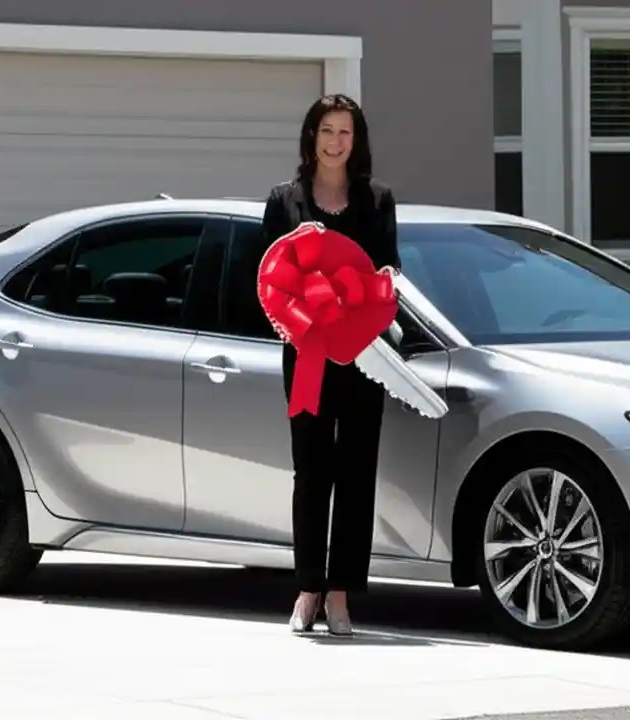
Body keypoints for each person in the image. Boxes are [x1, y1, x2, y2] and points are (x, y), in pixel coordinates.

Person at [261, 93, 400, 637]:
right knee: (311, 474)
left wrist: (363, 305)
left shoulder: (379, 199)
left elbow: (389, 274)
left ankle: (341, 595)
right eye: (327, 130)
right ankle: (307, 590)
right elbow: (268, 279)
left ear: (356, 140)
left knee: (357, 474)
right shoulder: (284, 199)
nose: (336, 141)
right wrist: (294, 323)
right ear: (311, 136)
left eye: (346, 132)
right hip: (308, 355)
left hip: (365, 356)